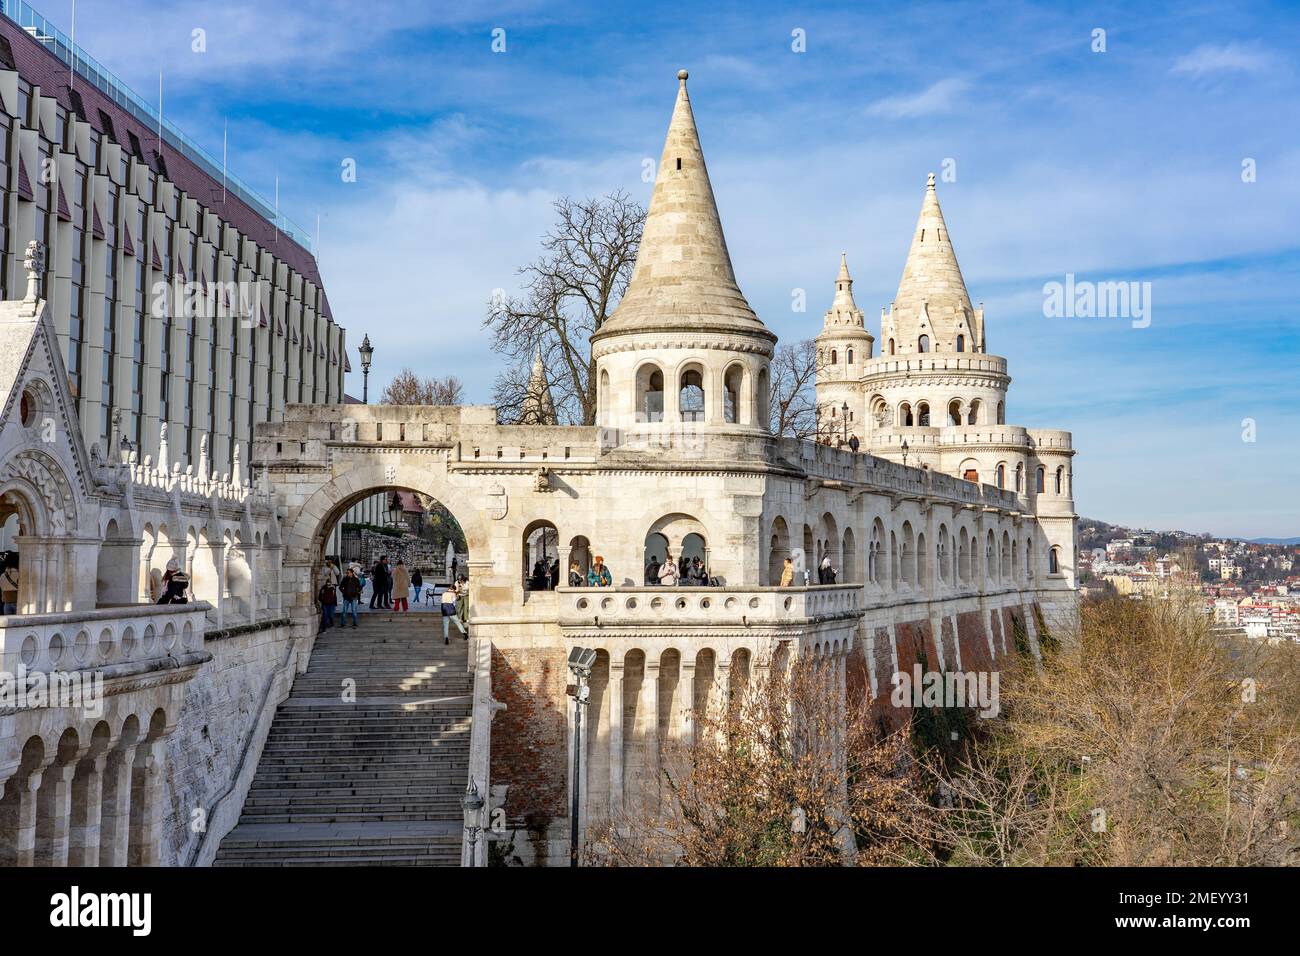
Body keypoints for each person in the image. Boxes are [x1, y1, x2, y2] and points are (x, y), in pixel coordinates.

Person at [454, 576, 471, 641]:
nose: (460, 581)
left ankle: (466, 618)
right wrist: (459, 589)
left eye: (461, 580)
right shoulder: (457, 582)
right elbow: (456, 590)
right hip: (460, 596)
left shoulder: (467, 582)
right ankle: (460, 618)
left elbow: (467, 588)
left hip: (466, 595)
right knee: (460, 607)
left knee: (466, 607)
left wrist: (462, 589)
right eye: (459, 580)